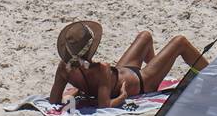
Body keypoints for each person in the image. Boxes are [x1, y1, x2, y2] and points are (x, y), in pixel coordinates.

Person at [48, 21, 208, 108]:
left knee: (145, 36)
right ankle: (216, 75)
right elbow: (105, 105)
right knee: (180, 42)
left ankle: (157, 69)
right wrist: (123, 96)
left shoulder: (64, 68)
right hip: (142, 82)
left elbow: (54, 100)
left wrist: (76, 92)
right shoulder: (101, 69)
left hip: (122, 71)